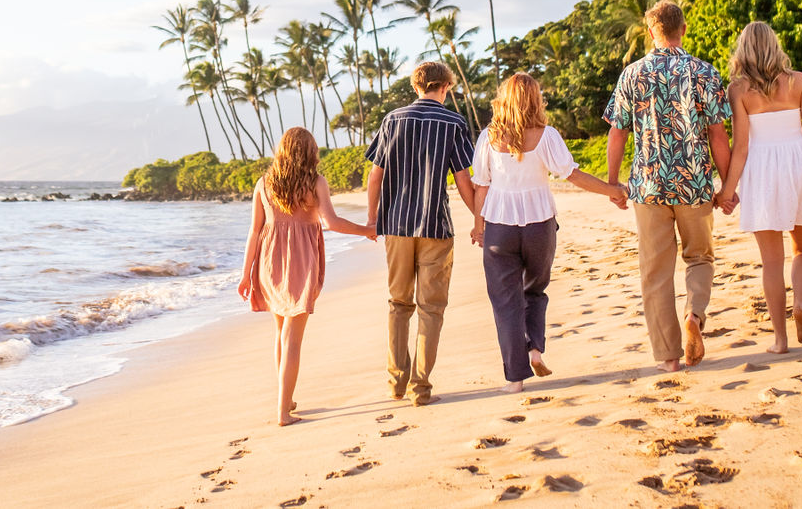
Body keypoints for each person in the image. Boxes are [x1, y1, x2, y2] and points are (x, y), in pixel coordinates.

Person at [470, 73, 628, 392]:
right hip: (540, 225)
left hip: (500, 227)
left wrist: (477, 225)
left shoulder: (488, 137)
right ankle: (535, 349)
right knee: (534, 290)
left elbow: (481, 184)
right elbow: (573, 175)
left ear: (504, 99)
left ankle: (515, 379)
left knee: (506, 300)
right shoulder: (547, 135)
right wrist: (612, 190)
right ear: (536, 99)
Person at [605, 0, 733, 373]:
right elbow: (718, 136)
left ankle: (668, 357)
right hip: (694, 184)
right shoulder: (704, 73)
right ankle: (694, 313)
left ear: (651, 33)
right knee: (700, 258)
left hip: (648, 186)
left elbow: (617, 134)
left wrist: (614, 183)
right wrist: (726, 185)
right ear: (684, 29)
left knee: (656, 272)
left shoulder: (632, 74)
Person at [714, 22, 802, 354]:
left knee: (771, 263)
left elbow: (740, 146)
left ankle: (780, 340)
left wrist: (727, 190)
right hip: (800, 163)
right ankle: (800, 304)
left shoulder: (738, 90)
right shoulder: (798, 81)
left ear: (743, 50)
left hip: (763, 169)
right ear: (775, 45)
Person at [238, 126, 374, 426]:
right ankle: (283, 412)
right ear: (310, 151)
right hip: (301, 261)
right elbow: (333, 222)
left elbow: (255, 231)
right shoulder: (316, 182)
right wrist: (368, 230)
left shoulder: (264, 183)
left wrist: (246, 273)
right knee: (293, 339)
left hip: (269, 263)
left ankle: (286, 399)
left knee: (281, 333)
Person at [365, 61, 476, 406]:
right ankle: (420, 387)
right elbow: (462, 179)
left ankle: (396, 381)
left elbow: (375, 175)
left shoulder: (392, 120)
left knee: (399, 304)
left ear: (417, 86)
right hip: (435, 226)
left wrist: (372, 220)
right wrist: (480, 220)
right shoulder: (454, 122)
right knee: (431, 308)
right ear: (444, 86)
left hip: (396, 225)